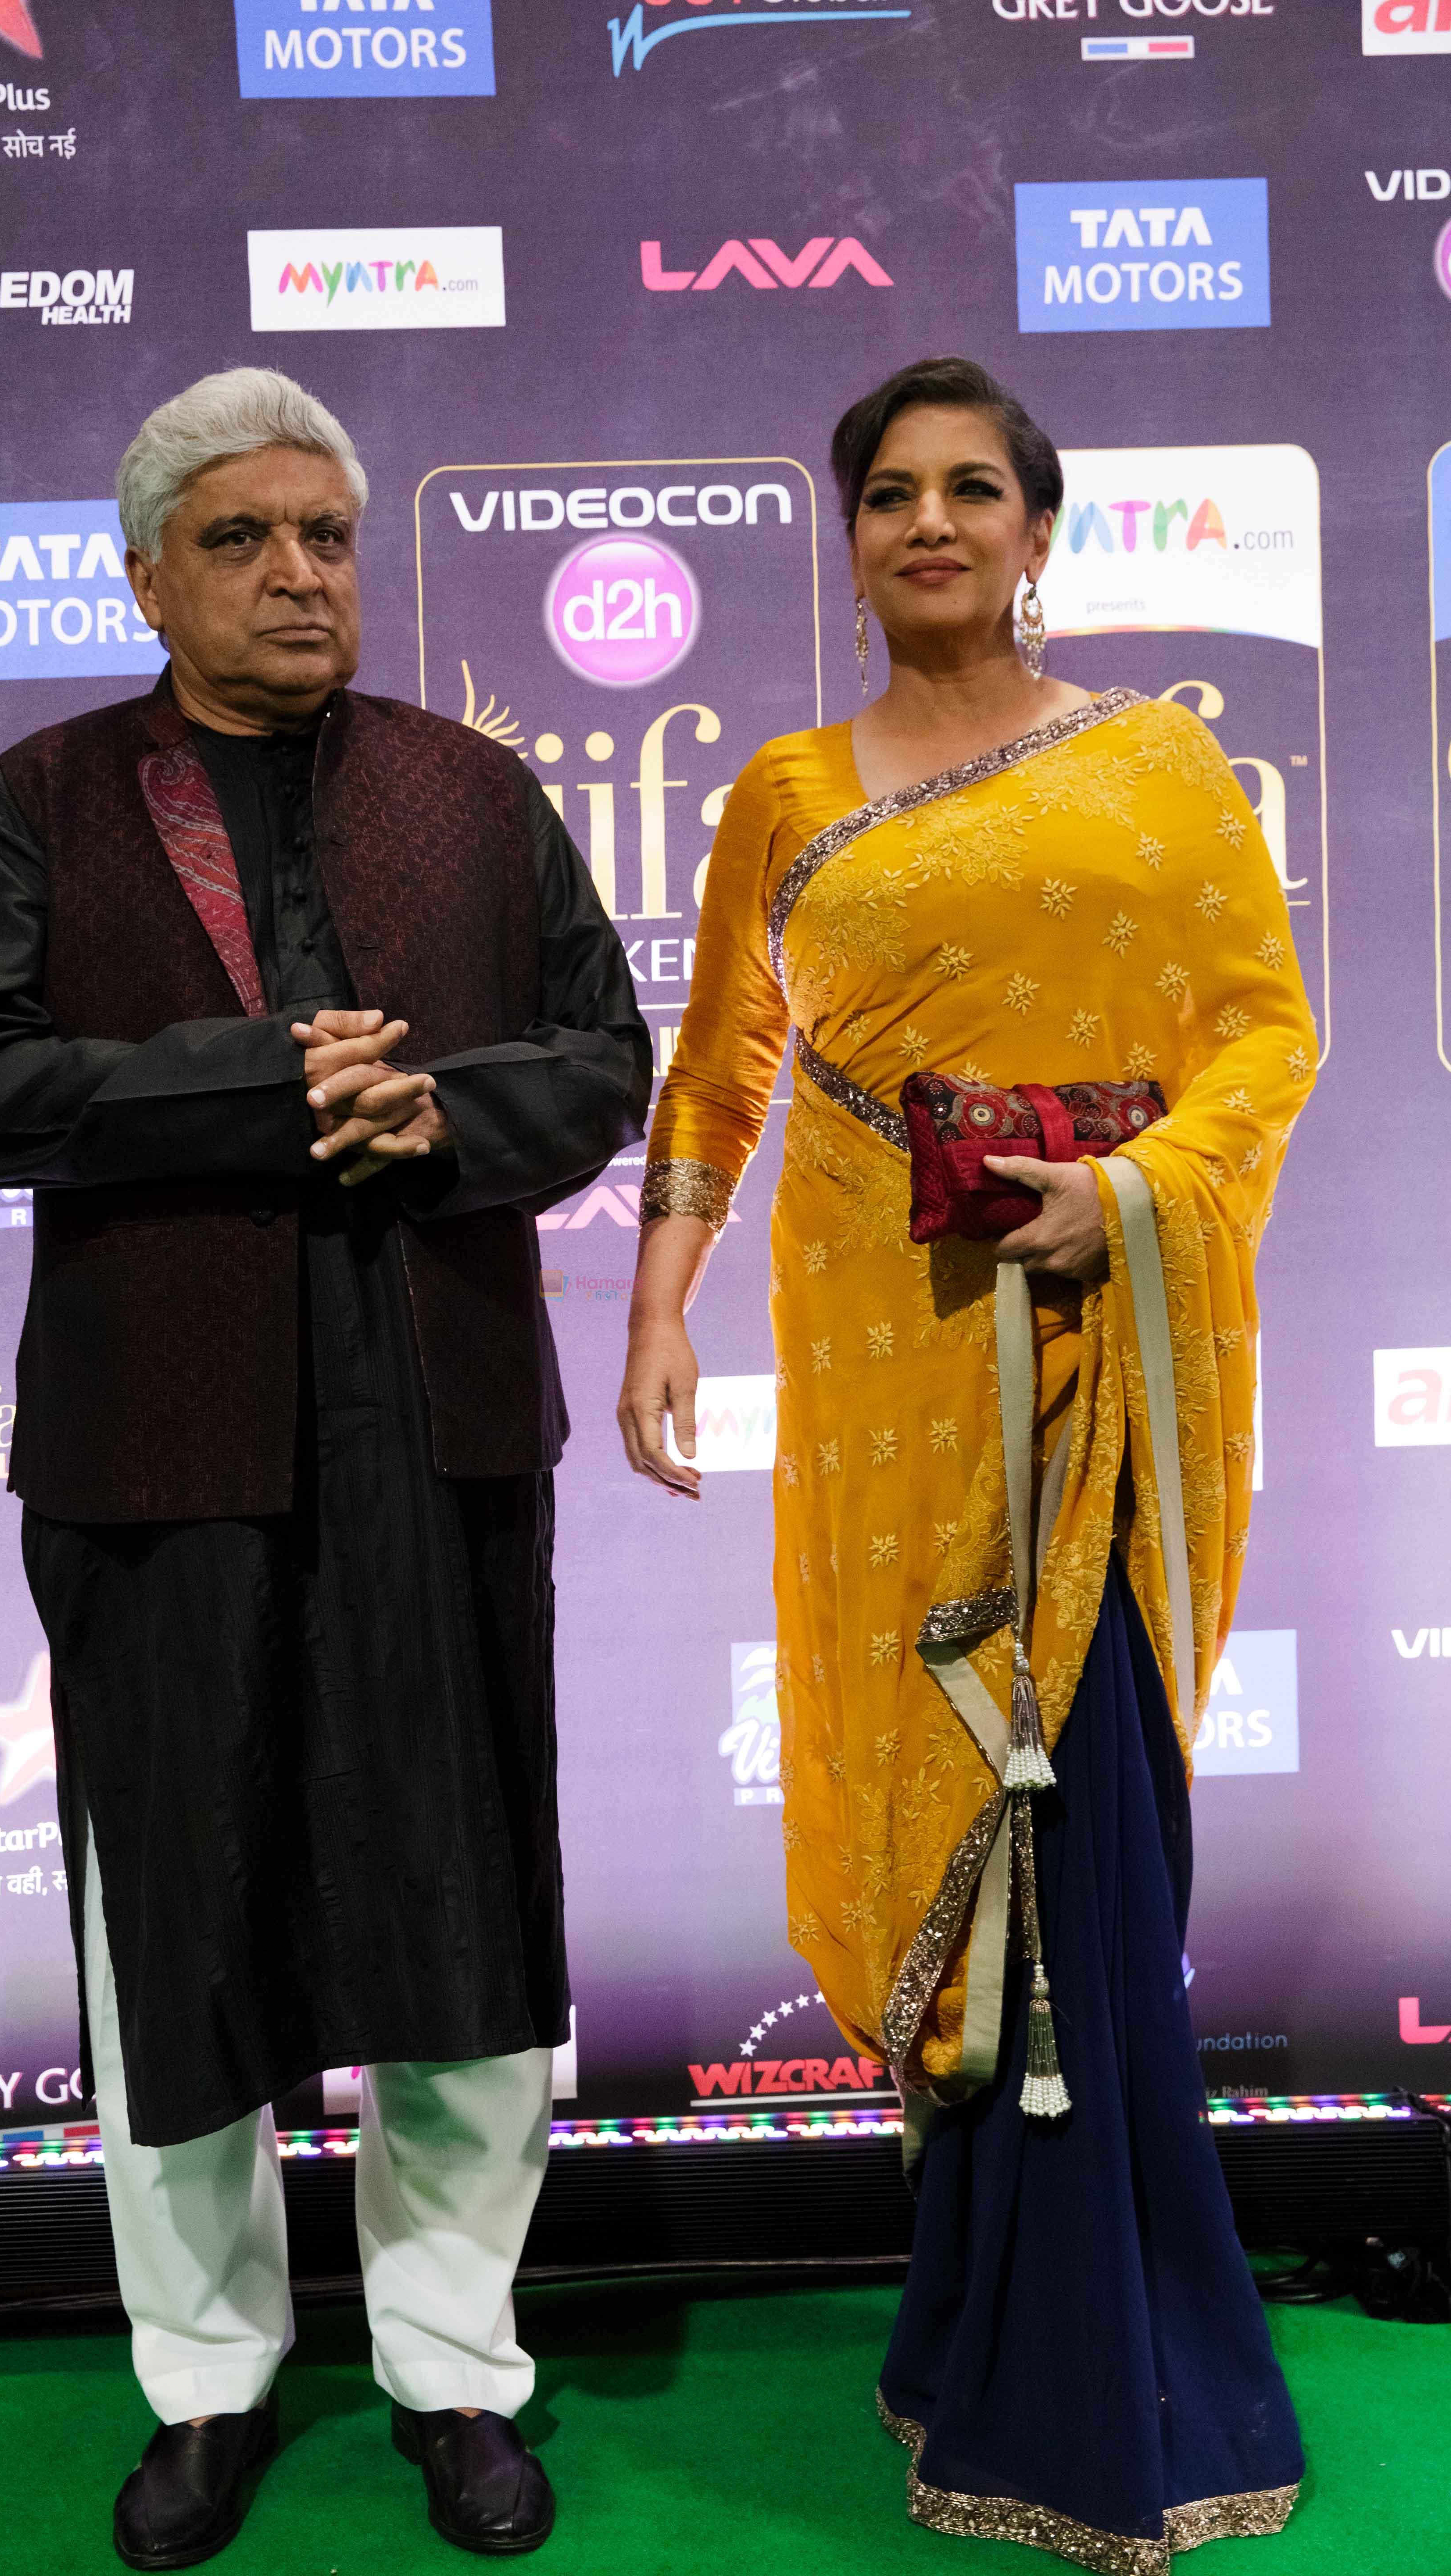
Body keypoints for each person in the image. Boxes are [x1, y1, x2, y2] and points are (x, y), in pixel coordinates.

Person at [0, 366, 651, 2568]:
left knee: (463, 1899)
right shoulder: (48, 796)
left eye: (326, 535)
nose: (299, 572)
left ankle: (454, 2368)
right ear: (147, 577)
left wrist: (437, 1118)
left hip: (437, 1426)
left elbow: (603, 1061)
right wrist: (244, 1086)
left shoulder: (478, 791)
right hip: (162, 1441)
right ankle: (205, 2384)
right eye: (242, 539)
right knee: (182, 1928)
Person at [618, 356, 1312, 2571]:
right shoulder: (787, 790)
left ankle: (1118, 2377)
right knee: (948, 1824)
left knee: (1079, 1863)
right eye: (893, 493)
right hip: (896, 1389)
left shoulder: (1157, 760)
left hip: (1108, 1378)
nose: (933, 521)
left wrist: (1123, 1202)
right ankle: (972, 2326)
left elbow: (1265, 1035)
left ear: (1040, 530)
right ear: (849, 538)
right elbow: (724, 1061)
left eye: (975, 490)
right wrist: (659, 1294)